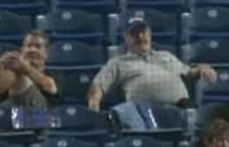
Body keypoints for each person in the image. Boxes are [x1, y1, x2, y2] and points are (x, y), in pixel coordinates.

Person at [88, 17, 218, 111]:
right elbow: (98, 86)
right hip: (144, 112)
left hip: (181, 107)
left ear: (149, 34)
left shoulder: (165, 56)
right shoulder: (118, 62)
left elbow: (189, 72)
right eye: (134, 34)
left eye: (143, 32)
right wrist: (94, 107)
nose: (140, 37)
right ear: (126, 37)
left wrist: (202, 69)